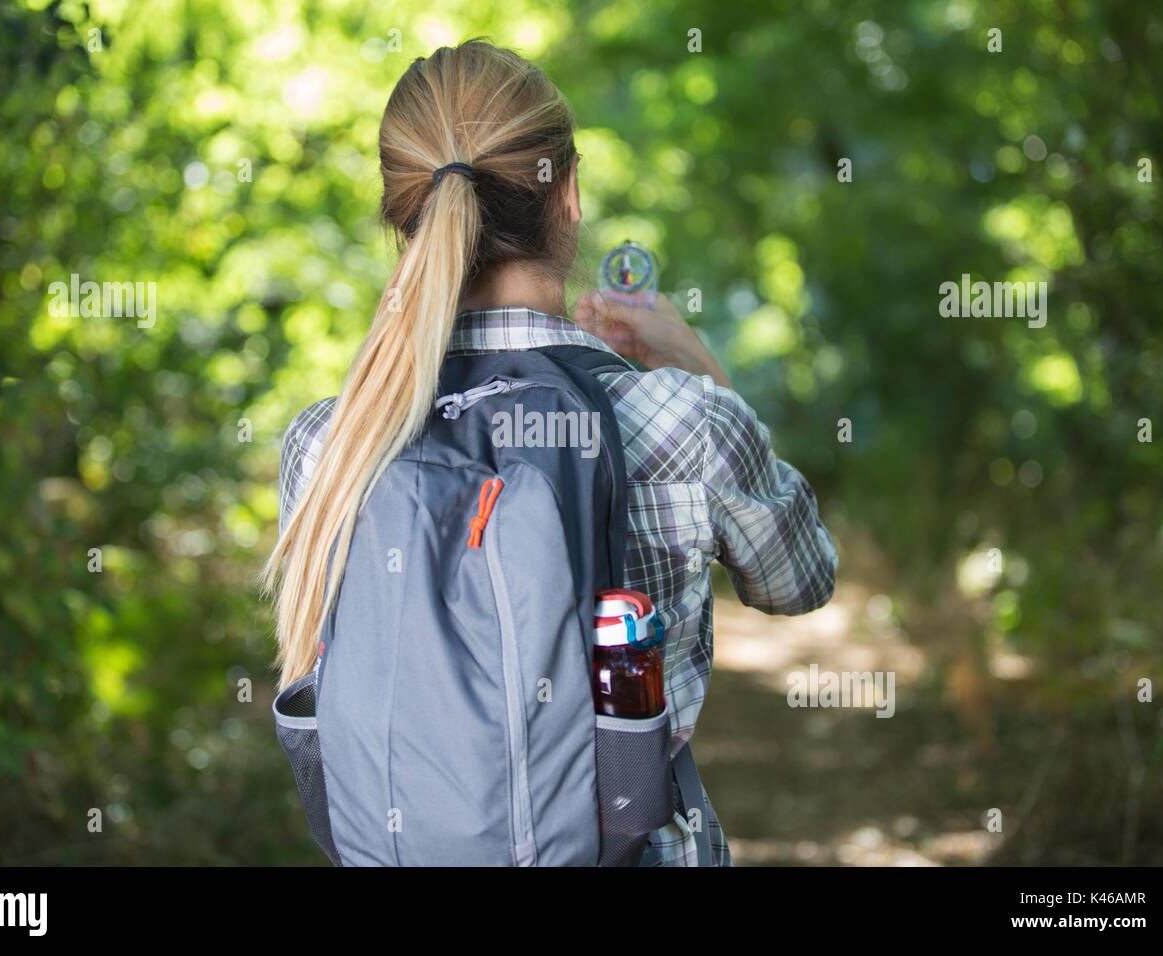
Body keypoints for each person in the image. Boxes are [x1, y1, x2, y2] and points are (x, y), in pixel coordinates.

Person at [263, 38, 838, 866]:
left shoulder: (332, 445)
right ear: (567, 192)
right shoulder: (680, 416)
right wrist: (697, 365)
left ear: (402, 212)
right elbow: (799, 580)